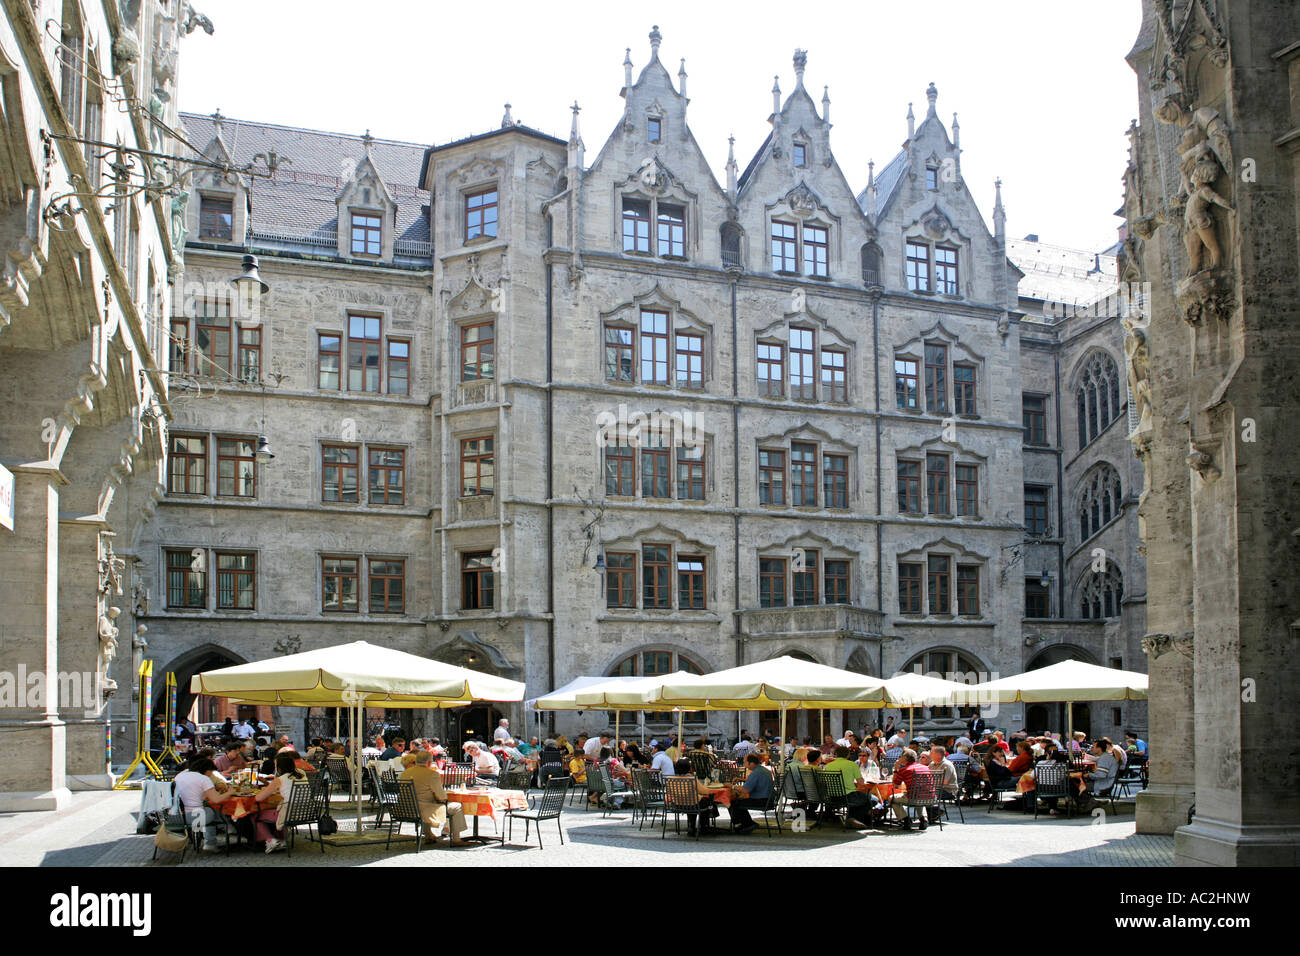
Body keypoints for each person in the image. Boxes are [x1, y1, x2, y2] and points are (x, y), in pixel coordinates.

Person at [401, 749, 470, 847]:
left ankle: (428, 835)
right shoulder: (432, 774)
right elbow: (442, 797)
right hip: (423, 810)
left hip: (405, 809)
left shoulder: (405, 773)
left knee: (425, 802)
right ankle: (456, 839)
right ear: (429, 762)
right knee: (456, 806)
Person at [173, 757, 236, 851]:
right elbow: (216, 799)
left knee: (208, 808)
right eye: (211, 771)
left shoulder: (180, 775)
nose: (211, 774)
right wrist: (230, 792)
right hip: (193, 817)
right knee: (212, 810)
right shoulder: (204, 779)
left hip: (175, 816)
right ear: (207, 770)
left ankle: (212, 840)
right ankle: (226, 826)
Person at [822, 746, 877, 829]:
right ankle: (853, 817)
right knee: (873, 799)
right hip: (848, 796)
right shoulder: (852, 765)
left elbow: (825, 783)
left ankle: (852, 818)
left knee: (860, 797)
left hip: (832, 797)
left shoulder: (829, 766)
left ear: (836, 755)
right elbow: (861, 782)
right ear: (848, 755)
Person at [727, 753, 777, 834]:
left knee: (733, 803)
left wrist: (731, 786)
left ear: (751, 763)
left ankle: (743, 824)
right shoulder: (763, 770)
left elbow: (745, 790)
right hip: (769, 799)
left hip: (761, 801)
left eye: (745, 762)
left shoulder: (755, 773)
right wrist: (741, 780)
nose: (744, 764)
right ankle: (748, 823)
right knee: (739, 801)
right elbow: (756, 782)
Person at [671, 759, 720, 836]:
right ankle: (703, 827)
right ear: (688, 768)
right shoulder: (691, 778)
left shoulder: (671, 779)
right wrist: (711, 790)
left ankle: (692, 826)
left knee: (693, 803)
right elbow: (703, 791)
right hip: (693, 803)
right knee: (706, 802)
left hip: (677, 804)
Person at [890, 749, 935, 830]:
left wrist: (896, 770)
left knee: (891, 798)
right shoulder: (925, 768)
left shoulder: (904, 770)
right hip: (930, 797)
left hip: (914, 798)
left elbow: (896, 785)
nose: (899, 758)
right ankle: (923, 819)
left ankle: (905, 819)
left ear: (905, 758)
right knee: (918, 793)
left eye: (900, 756)